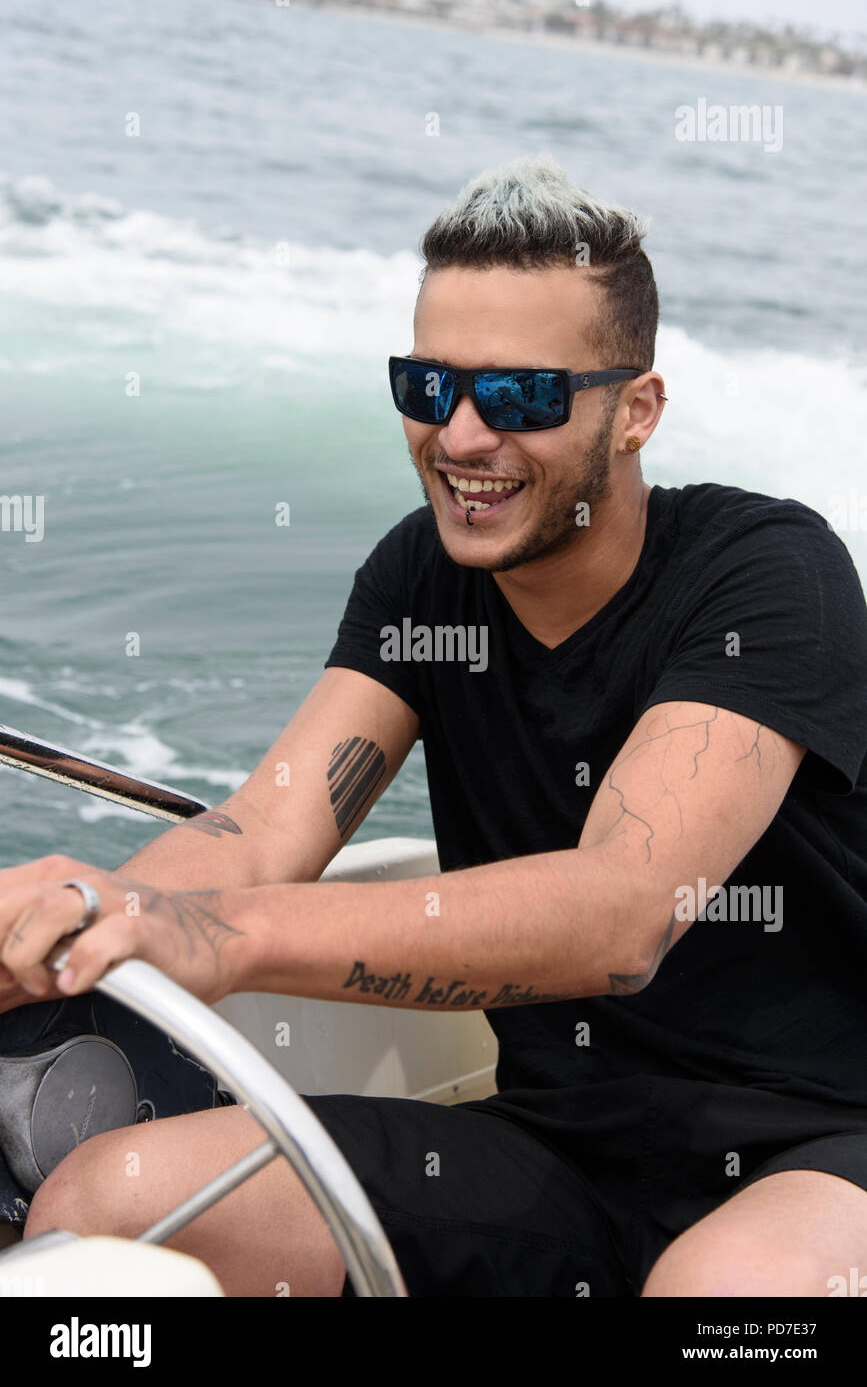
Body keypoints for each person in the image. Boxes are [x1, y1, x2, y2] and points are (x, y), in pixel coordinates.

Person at [3, 154, 866, 1298]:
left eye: (519, 397)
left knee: (720, 1303)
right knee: (102, 1207)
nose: (461, 438)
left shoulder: (765, 573)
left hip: (819, 1150)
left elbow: (620, 914)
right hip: (558, 1147)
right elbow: (260, 834)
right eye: (428, 387)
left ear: (636, 411)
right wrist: (80, 925)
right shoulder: (424, 580)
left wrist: (226, 938)